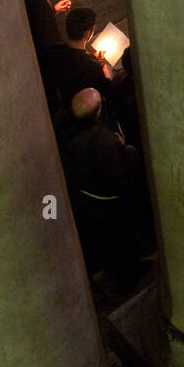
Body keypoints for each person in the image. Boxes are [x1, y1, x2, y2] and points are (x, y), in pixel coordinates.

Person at [58, 89, 149, 292]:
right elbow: (124, 179)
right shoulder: (107, 142)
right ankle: (129, 279)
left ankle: (113, 271)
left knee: (107, 244)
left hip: (89, 204)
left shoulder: (68, 140)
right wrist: (127, 150)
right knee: (123, 242)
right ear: (98, 111)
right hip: (112, 204)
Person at [45, 5, 113, 109]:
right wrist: (107, 75)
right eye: (93, 29)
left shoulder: (55, 50)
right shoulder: (93, 69)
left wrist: (92, 57)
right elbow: (105, 93)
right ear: (87, 33)